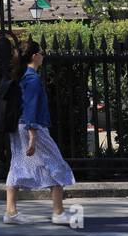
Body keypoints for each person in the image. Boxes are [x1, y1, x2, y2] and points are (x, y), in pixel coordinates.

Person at [4, 40, 78, 225]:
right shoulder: (32, 78)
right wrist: (33, 135)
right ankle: (58, 213)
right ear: (35, 56)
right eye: (41, 52)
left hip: (19, 126)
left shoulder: (21, 76)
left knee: (17, 164)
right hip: (32, 127)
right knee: (56, 162)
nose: (43, 56)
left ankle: (11, 212)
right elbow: (31, 107)